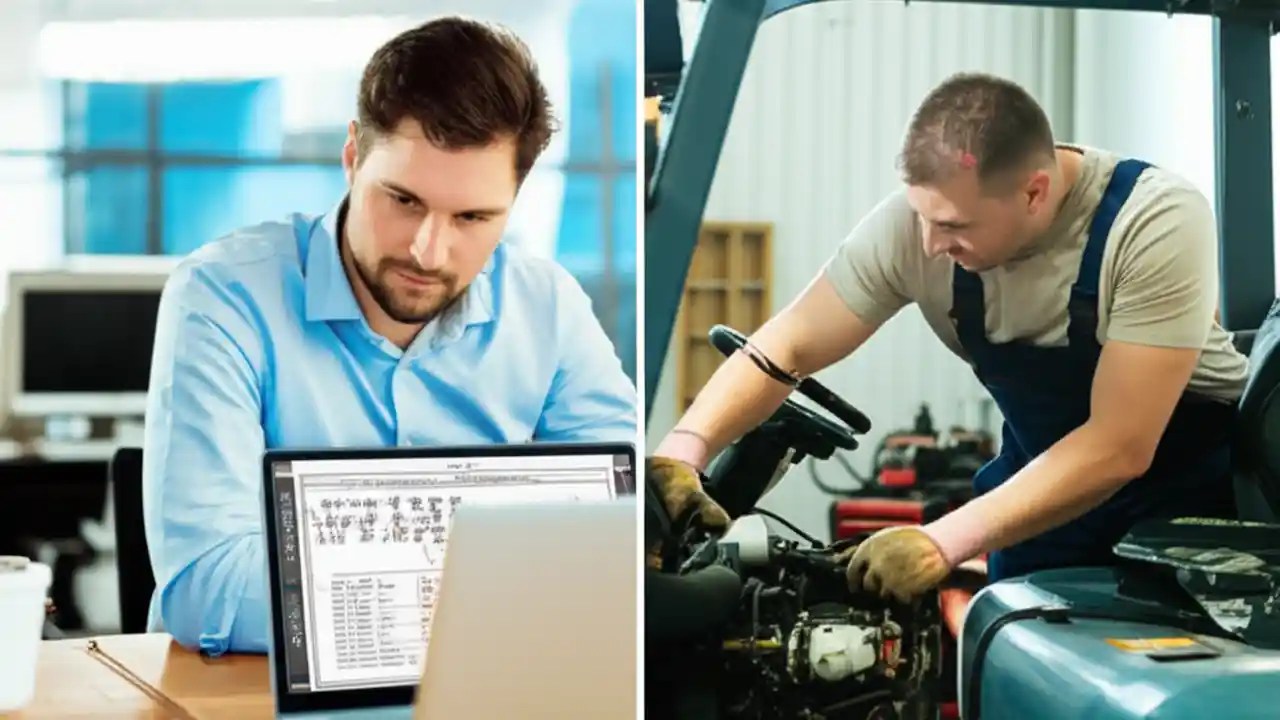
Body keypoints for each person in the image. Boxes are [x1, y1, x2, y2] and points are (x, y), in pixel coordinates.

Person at [648, 71, 1245, 602]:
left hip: (1192, 513)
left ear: (1034, 192)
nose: (931, 246)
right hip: (1043, 502)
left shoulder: (1152, 222)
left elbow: (1119, 445)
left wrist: (941, 542)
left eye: (954, 226)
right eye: (924, 220)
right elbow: (787, 347)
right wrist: (685, 451)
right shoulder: (920, 225)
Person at [143, 16, 637, 655]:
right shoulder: (223, 297)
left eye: (472, 216)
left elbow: (618, 535)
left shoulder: (548, 306)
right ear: (353, 158)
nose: (428, 251)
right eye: (403, 201)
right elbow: (207, 588)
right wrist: (496, 589)